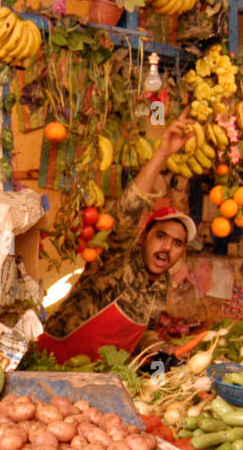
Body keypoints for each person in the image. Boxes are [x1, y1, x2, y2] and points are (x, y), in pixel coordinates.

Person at [35, 112, 196, 363]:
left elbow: (144, 330)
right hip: (52, 363)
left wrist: (160, 352)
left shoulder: (162, 284)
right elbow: (128, 209)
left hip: (98, 376)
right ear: (144, 237)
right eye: (161, 236)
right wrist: (162, 154)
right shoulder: (117, 260)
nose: (167, 247)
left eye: (177, 244)